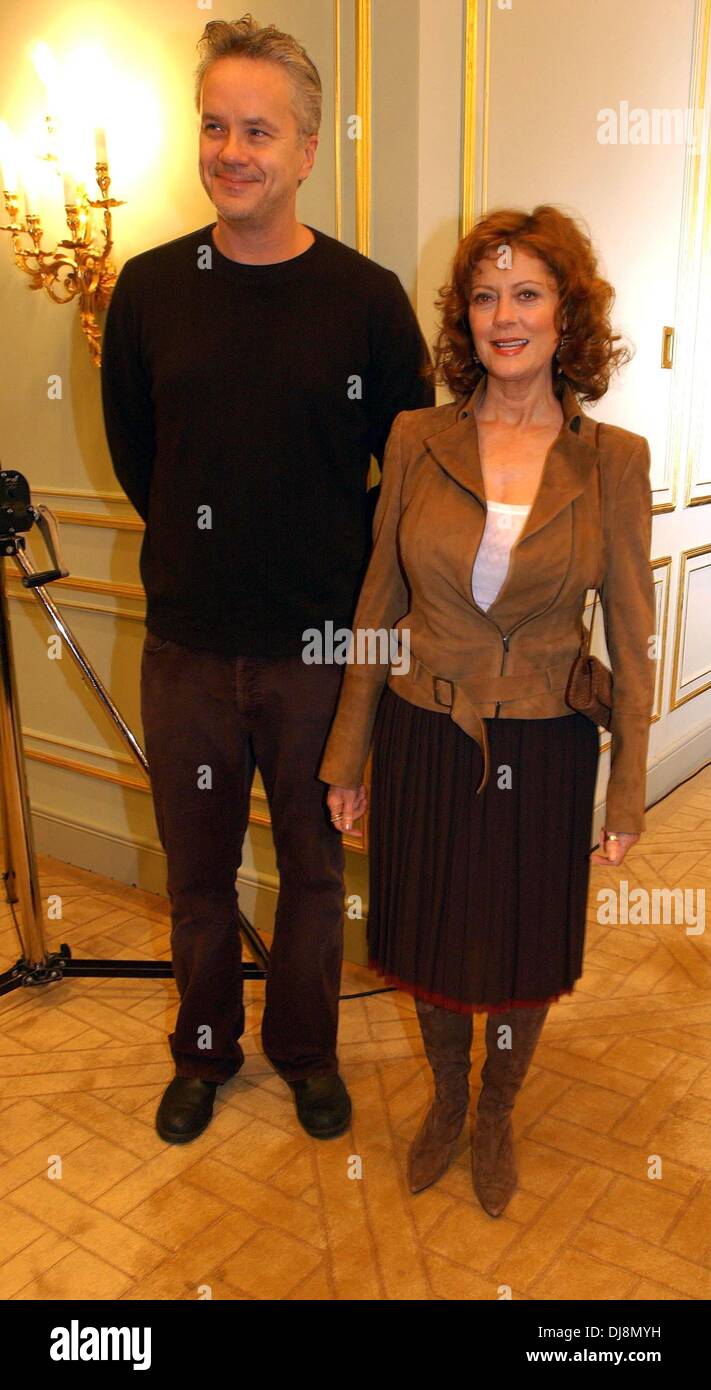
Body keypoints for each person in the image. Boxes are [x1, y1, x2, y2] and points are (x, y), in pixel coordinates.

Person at [100, 15, 433, 1145]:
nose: (230, 150)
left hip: (322, 654)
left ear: (305, 149)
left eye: (257, 129)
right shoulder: (147, 289)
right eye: (213, 126)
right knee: (196, 877)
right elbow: (141, 454)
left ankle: (303, 1049)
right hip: (187, 646)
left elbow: (410, 482)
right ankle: (203, 1052)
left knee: (307, 872)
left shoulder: (368, 299)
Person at [318, 204, 656, 1215]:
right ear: (464, 320)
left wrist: (627, 790)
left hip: (546, 744)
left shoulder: (614, 460)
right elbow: (376, 603)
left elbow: (634, 637)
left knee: (522, 946)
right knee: (423, 933)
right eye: (484, 295)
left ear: (567, 315)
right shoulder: (417, 437)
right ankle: (445, 1100)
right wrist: (347, 755)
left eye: (527, 292)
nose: (503, 314)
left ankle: (498, 1106)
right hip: (422, 730)